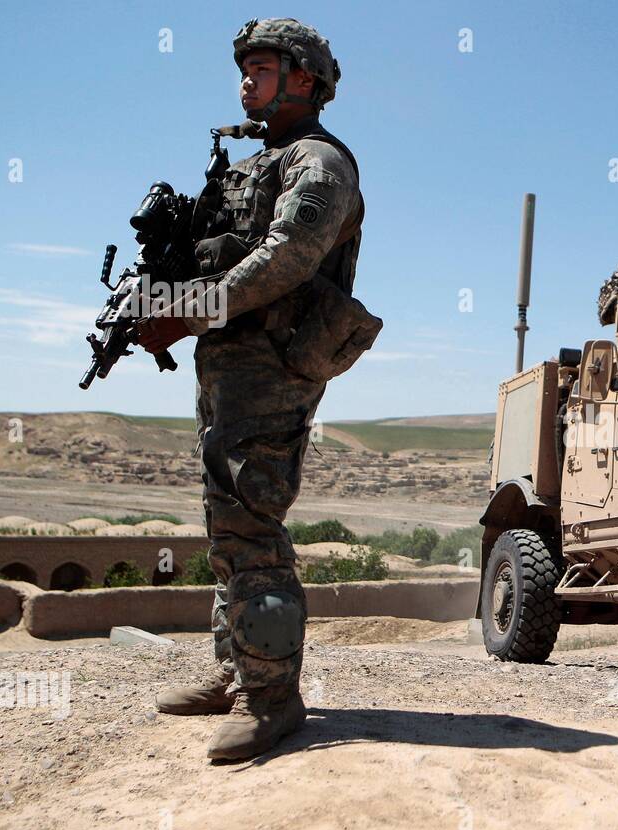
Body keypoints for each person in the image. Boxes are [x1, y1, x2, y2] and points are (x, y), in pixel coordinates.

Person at [141, 18, 364, 761]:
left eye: (262, 67)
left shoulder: (319, 164)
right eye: (245, 69)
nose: (246, 80)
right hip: (231, 363)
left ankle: (273, 699)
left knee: (252, 524)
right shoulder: (256, 162)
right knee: (224, 524)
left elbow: (285, 259)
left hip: (273, 366)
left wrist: (185, 315)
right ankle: (236, 668)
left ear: (304, 78)